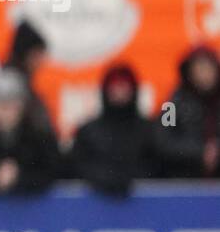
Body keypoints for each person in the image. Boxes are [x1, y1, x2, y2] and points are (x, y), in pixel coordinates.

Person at [67, 62, 158, 195]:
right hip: (93, 206)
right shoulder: (87, 131)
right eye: (115, 86)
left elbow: (156, 166)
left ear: (134, 90)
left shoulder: (149, 129)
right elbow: (76, 166)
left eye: (124, 86)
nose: (119, 91)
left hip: (141, 207)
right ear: (105, 90)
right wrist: (102, 178)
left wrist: (127, 178)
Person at [0, 68, 61, 195]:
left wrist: (19, 177)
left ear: (22, 106)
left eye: (9, 106)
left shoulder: (40, 133)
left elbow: (54, 172)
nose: (3, 113)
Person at [155, 45, 220, 178]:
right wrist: (199, 152)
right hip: (185, 180)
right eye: (200, 68)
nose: (205, 74)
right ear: (189, 72)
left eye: (209, 68)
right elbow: (163, 141)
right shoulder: (172, 104)